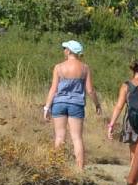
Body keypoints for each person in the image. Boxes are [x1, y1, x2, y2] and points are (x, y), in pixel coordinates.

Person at [43, 40, 102, 169]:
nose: (64, 51)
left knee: (59, 136)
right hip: (76, 104)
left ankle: (56, 166)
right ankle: (80, 169)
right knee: (77, 138)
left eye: (65, 48)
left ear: (69, 51)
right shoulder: (85, 68)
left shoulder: (58, 67)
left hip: (59, 103)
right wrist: (97, 105)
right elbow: (90, 90)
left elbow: (53, 89)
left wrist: (47, 107)